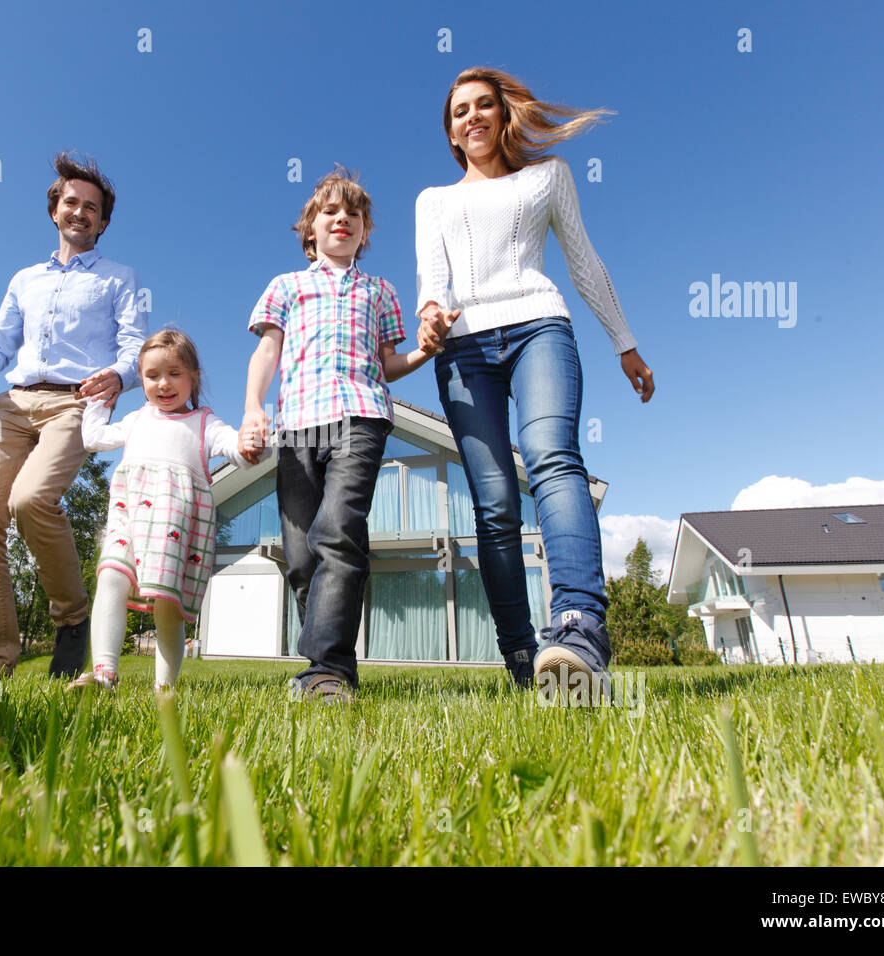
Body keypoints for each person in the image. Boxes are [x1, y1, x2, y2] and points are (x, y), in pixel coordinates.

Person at [415, 68, 655, 696]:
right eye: (460, 110)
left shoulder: (547, 178)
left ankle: (578, 629)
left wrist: (624, 343)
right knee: (494, 506)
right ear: (450, 133)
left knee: (552, 458)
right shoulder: (433, 201)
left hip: (539, 327)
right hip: (464, 354)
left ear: (503, 116)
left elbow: (584, 260)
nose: (473, 117)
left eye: (484, 106)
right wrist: (431, 315)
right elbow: (431, 286)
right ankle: (525, 659)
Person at [241, 167, 440, 703]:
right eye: (330, 211)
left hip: (360, 415)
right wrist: (253, 410)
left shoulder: (379, 291)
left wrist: (426, 348)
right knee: (302, 557)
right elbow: (267, 352)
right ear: (310, 228)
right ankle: (336, 668)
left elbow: (388, 362)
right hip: (297, 424)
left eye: (353, 214)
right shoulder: (287, 287)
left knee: (338, 532)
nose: (342, 219)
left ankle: (324, 669)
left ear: (365, 231)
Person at [0, 153, 146, 679]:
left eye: (92, 208)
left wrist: (121, 376)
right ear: (55, 210)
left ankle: (73, 619)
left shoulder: (119, 279)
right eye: (71, 203)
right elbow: (1, 341)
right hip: (14, 404)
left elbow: (135, 347)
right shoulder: (25, 279)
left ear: (103, 222)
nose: (80, 212)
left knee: (32, 498)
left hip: (75, 401)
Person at [71, 329, 257, 692]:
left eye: (174, 373)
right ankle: (104, 673)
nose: (163, 384)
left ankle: (165, 687)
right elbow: (93, 438)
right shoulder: (137, 419)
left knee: (167, 609)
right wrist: (98, 401)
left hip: (175, 529)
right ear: (141, 380)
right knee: (110, 578)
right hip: (128, 517)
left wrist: (251, 445)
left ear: (194, 378)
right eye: (152, 375)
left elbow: (236, 449)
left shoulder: (204, 423)